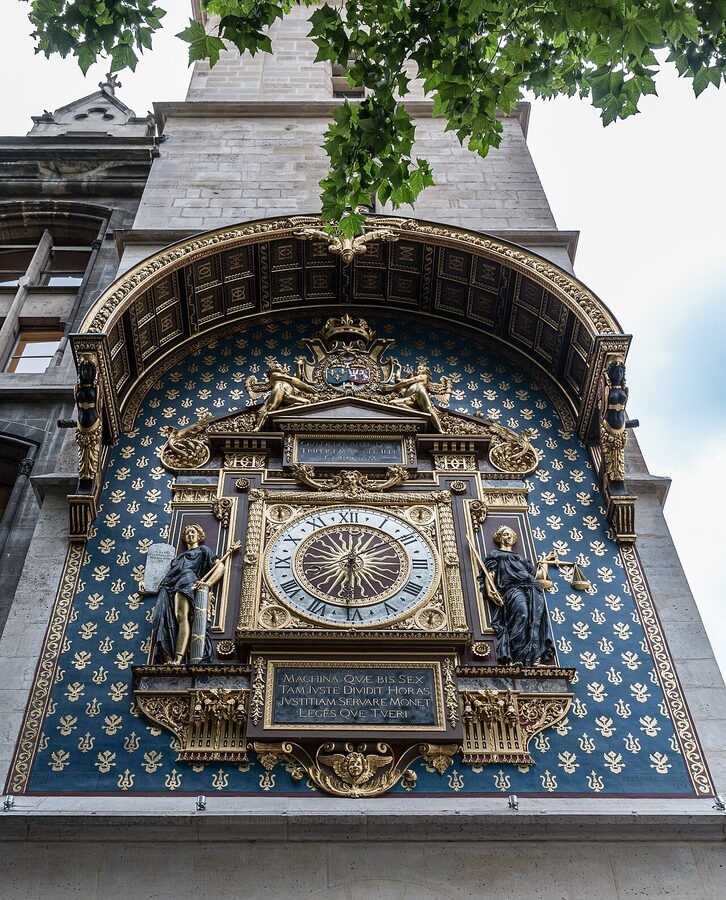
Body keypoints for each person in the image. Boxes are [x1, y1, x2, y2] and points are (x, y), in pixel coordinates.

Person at [480, 525, 555, 667]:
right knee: (522, 615)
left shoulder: (522, 559)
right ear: (499, 537)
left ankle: (533, 659)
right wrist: (490, 591)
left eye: (510, 535)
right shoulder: (496, 555)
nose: (508, 537)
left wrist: (544, 562)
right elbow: (490, 574)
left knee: (535, 622)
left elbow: (538, 577)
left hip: (533, 589)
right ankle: (518, 658)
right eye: (505, 535)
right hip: (513, 589)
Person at [150, 523, 225, 665]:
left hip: (187, 581)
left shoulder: (203, 550)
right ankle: (168, 656)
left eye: (193, 532)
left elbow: (220, 566)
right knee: (166, 620)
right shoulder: (179, 557)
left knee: (181, 616)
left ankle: (178, 658)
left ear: (199, 536)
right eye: (187, 533)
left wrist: (208, 583)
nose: (190, 535)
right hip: (169, 587)